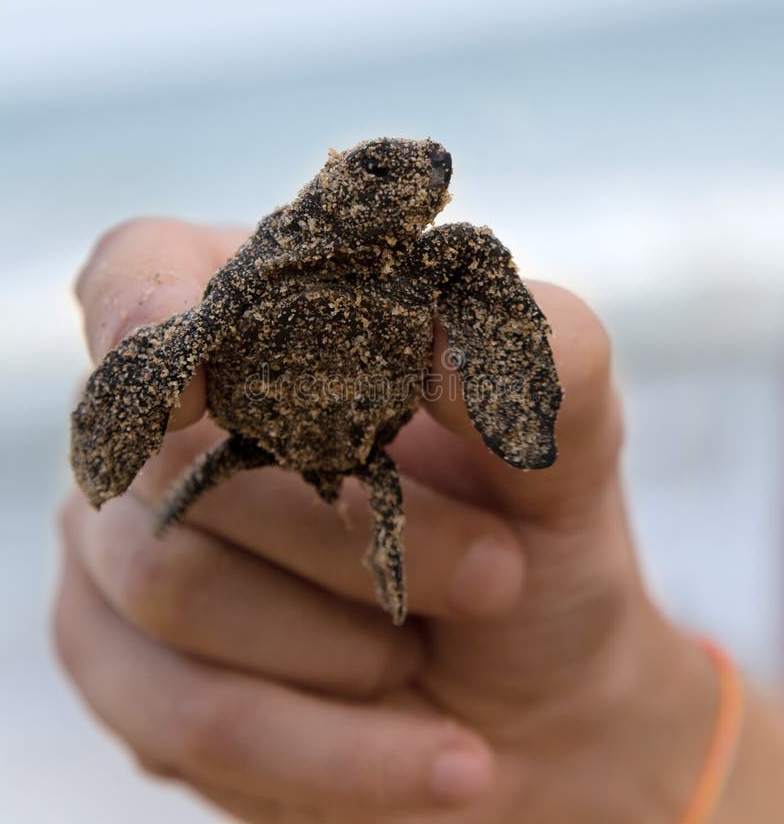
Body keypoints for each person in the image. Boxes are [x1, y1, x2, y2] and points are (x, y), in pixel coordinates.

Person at [53, 217, 784, 823]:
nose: (428, 175)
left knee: (312, 494)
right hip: (287, 425)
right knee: (203, 453)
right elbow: (203, 316)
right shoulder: (299, 251)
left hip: (329, 435)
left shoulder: (426, 260)